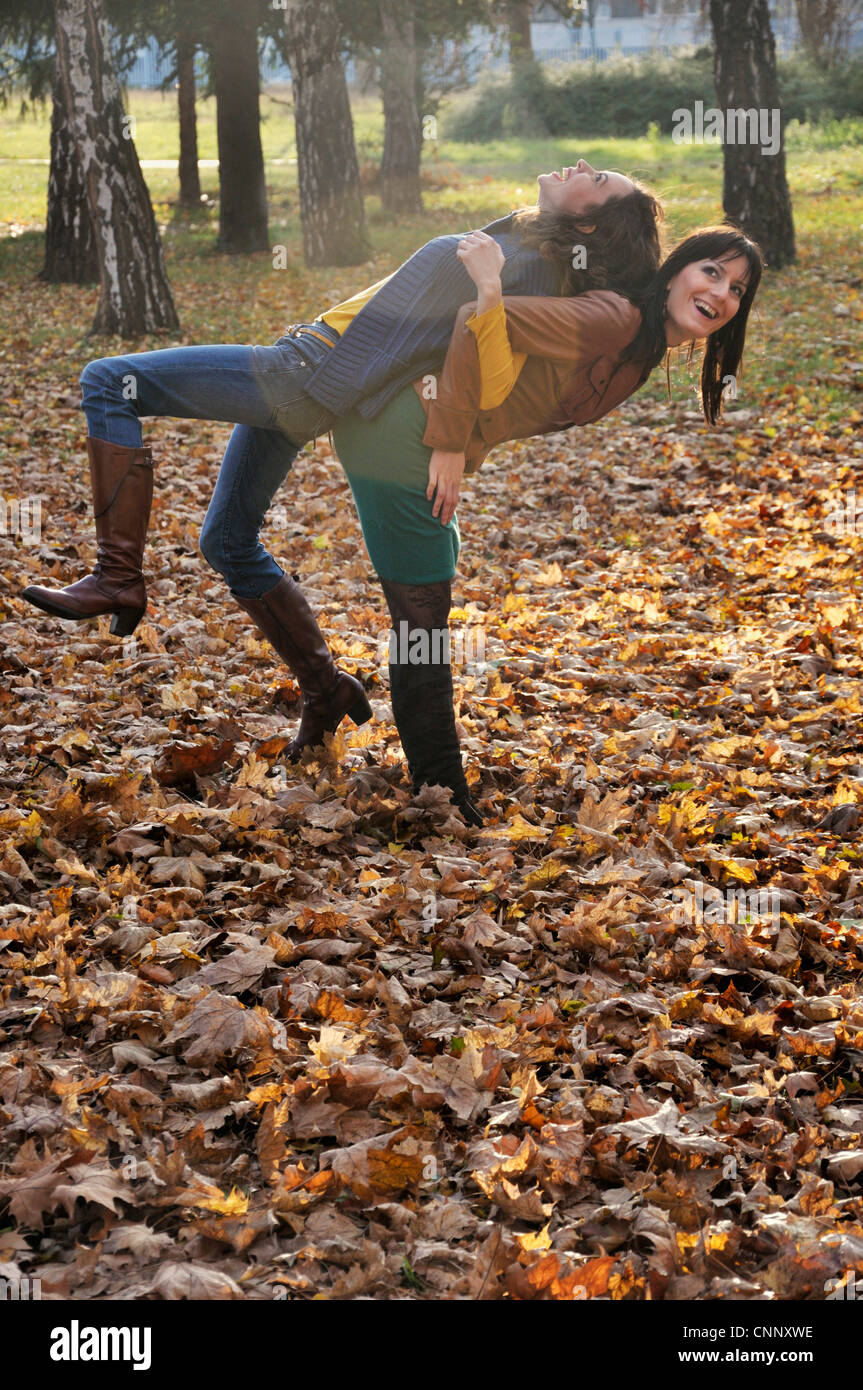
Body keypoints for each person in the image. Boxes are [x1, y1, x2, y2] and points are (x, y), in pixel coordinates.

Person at [20, 161, 663, 767]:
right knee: (226, 541)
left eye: (598, 179)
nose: (581, 168)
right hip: (308, 367)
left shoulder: (529, 269)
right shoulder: (522, 243)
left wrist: (453, 438)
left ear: (589, 226)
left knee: (109, 380)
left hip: (303, 376)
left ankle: (115, 575)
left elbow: (490, 366)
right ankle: (326, 689)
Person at [328, 224, 763, 824]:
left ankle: (358, 726)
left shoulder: (641, 348)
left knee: (423, 613)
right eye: (711, 271)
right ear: (677, 269)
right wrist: (451, 443)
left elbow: (511, 386)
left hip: (417, 440)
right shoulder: (620, 320)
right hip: (404, 438)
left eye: (737, 288)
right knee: (421, 619)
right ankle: (443, 798)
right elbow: (481, 320)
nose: (722, 293)